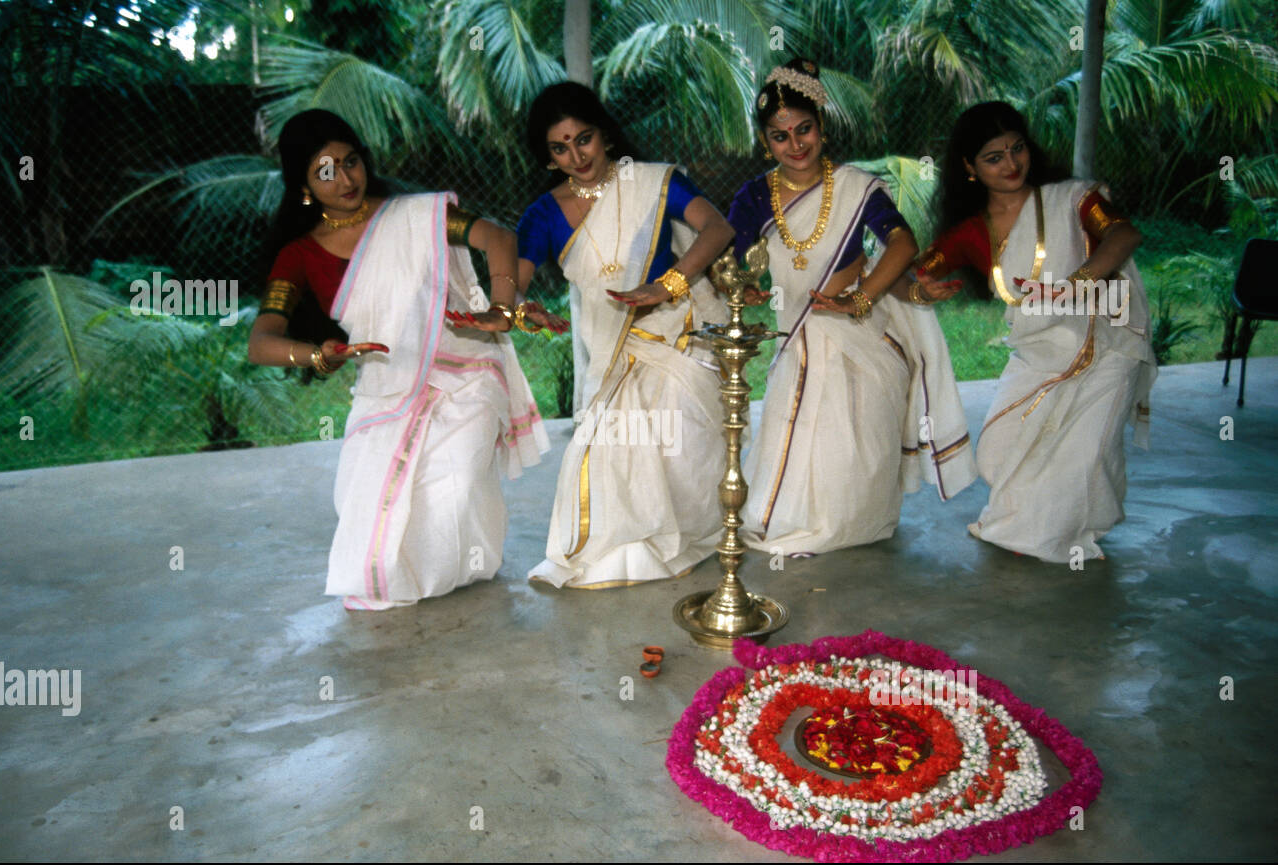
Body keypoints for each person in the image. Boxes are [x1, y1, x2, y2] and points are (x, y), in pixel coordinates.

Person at [247, 109, 562, 609]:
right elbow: (261, 341)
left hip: (466, 370)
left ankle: (462, 565)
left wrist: (504, 307)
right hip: (385, 386)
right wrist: (317, 355)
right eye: (326, 171)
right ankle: (424, 573)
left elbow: (496, 236)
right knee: (365, 509)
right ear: (304, 186)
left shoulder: (414, 217)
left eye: (351, 162)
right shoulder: (301, 253)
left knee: (456, 481)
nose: (347, 178)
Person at [726, 58, 975, 556]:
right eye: (780, 136)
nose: (795, 145)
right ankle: (803, 521)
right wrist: (743, 286)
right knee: (793, 442)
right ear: (764, 141)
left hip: (860, 333)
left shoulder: (857, 186)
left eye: (804, 130)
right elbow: (732, 264)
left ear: (822, 126)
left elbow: (902, 244)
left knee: (854, 445)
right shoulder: (754, 196)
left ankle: (854, 521)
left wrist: (859, 300)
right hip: (795, 336)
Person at [903, 101, 1157, 563]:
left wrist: (1075, 284)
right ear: (969, 167)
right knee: (997, 456)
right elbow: (917, 276)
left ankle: (1063, 530)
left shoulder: (1073, 199)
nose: (1012, 164)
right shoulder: (970, 231)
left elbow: (1124, 237)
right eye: (994, 157)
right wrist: (924, 292)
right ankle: (1040, 522)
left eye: (1017, 149)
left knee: (1083, 452)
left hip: (1108, 339)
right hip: (1038, 349)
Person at [515, 82, 735, 588]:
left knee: (667, 425)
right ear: (548, 157)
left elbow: (718, 229)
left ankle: (685, 532)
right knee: (612, 442)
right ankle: (630, 545)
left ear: (606, 134)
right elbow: (518, 284)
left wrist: (667, 285)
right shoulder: (543, 215)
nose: (576, 155)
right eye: (560, 147)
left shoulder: (654, 183)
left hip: (673, 330)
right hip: (611, 349)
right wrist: (526, 310)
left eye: (584, 138)